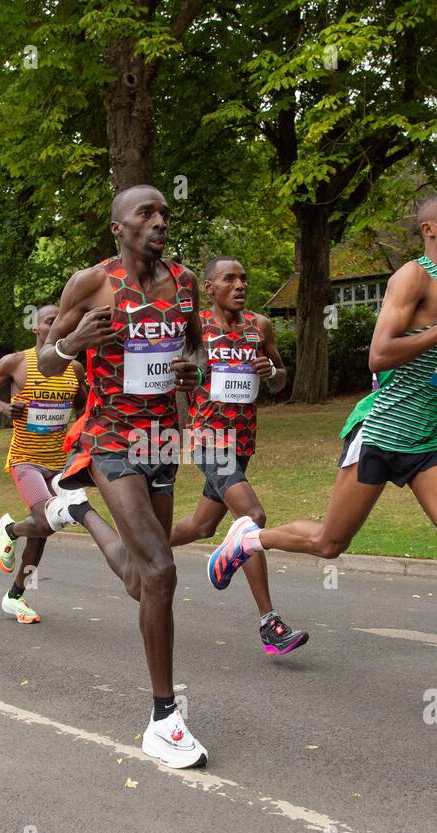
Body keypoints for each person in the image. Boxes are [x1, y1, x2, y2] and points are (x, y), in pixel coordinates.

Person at [207, 190, 437, 723]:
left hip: (426, 436)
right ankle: (249, 537)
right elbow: (378, 354)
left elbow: (425, 361)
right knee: (329, 543)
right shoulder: (413, 276)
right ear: (430, 228)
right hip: (381, 431)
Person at [37, 184, 210, 768]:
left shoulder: (185, 284)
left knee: (143, 581)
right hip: (110, 436)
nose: (159, 221)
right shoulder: (93, 283)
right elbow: (45, 359)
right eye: (146, 213)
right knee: (162, 571)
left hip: (161, 438)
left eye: (164, 212)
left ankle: (75, 511)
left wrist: (192, 369)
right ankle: (164, 718)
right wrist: (72, 342)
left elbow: (194, 350)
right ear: (119, 227)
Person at [168, 256, 307, 655]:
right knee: (253, 517)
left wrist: (271, 373)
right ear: (209, 287)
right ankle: (270, 623)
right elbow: (176, 382)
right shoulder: (194, 328)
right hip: (207, 438)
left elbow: (281, 382)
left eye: (244, 278)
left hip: (242, 442)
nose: (240, 284)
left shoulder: (259, 326)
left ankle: (138, 548)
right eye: (229, 279)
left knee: (201, 526)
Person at [0, 304, 88, 623]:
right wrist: (2, 406)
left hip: (58, 462)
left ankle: (15, 597)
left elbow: (82, 404)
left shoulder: (74, 369)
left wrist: (80, 430)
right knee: (46, 519)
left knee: (44, 529)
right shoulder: (15, 362)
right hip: (25, 459)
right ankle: (10, 530)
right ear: (36, 328)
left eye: (64, 322)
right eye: (51, 321)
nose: (59, 326)